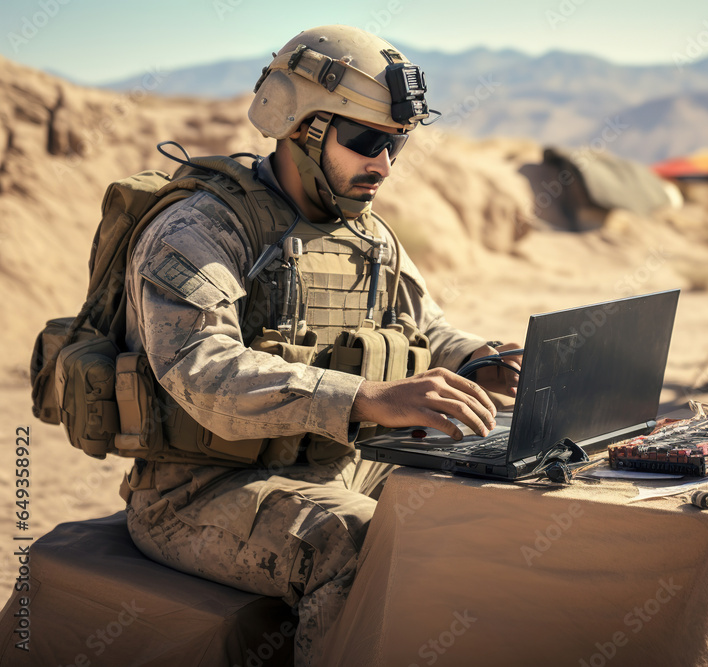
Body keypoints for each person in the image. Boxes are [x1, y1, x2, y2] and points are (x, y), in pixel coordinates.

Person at [120, 24, 520, 666]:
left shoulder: (369, 236)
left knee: (483, 497)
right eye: (364, 140)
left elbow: (426, 329)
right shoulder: (199, 228)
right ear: (299, 125)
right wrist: (363, 398)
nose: (383, 164)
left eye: (396, 143)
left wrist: (481, 360)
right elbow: (201, 369)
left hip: (337, 464)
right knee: (348, 543)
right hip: (198, 487)